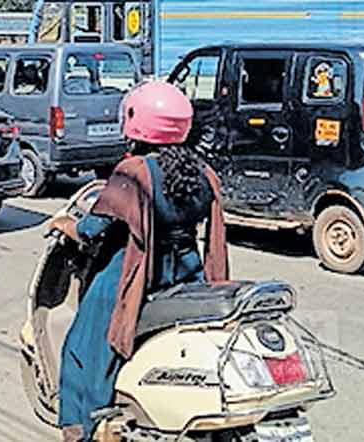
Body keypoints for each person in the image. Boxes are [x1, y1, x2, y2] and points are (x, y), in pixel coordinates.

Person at [46, 81, 229, 442]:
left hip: (135, 273)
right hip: (187, 274)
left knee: (82, 344)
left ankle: (82, 422)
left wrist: (62, 224)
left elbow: (91, 229)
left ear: (135, 121)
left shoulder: (134, 172)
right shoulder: (202, 172)